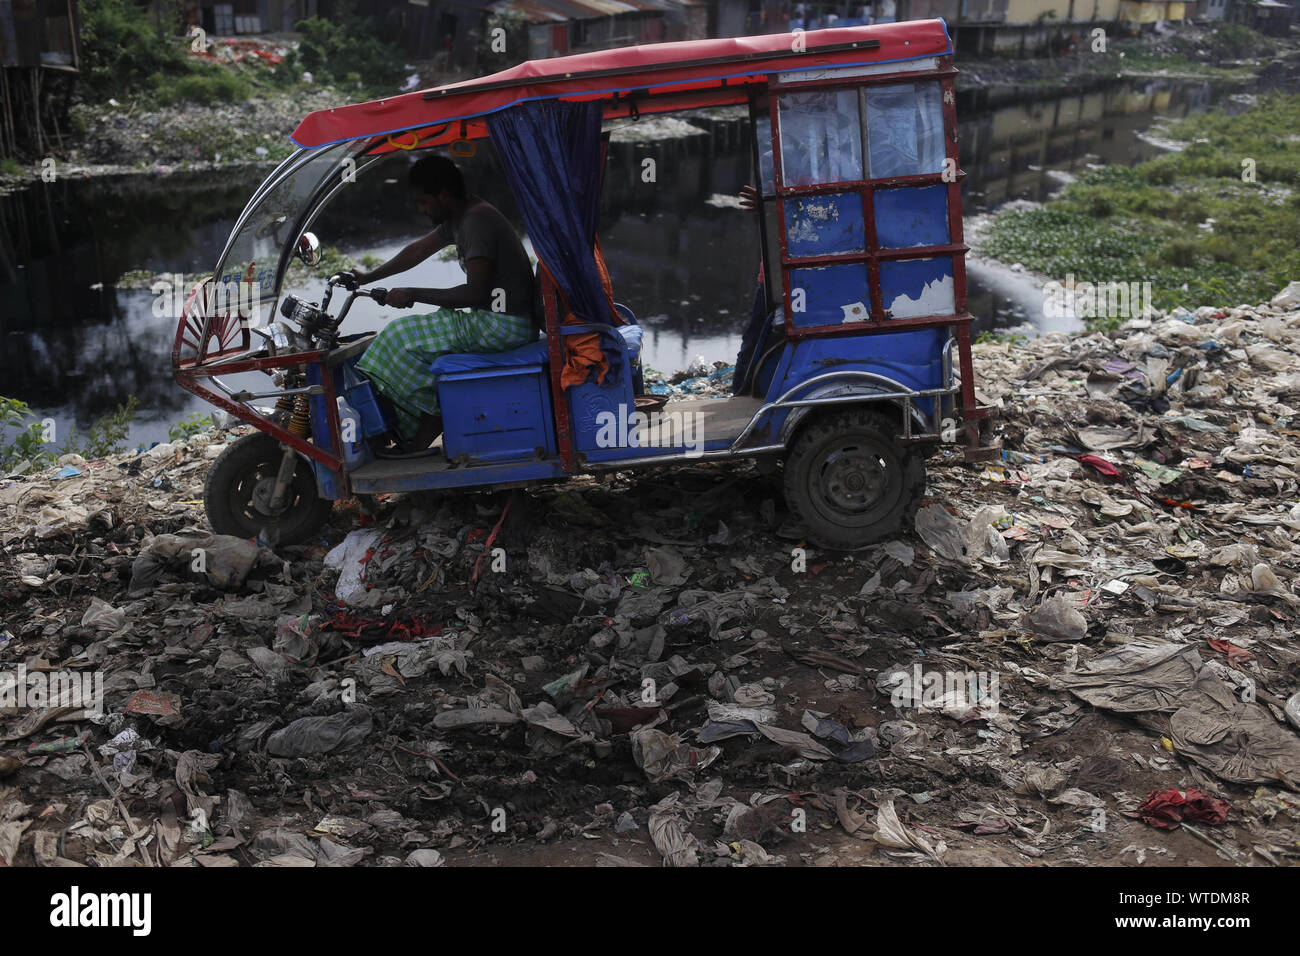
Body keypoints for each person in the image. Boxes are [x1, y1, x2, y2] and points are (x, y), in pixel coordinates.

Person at [351, 155, 536, 453]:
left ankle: (433, 416)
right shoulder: (462, 216)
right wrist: (368, 277)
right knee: (415, 332)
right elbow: (417, 251)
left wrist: (412, 293)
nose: (422, 209)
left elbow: (475, 294)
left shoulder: (476, 222)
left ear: (445, 195)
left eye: (425, 202)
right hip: (495, 320)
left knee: (398, 336)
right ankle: (430, 417)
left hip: (503, 326)